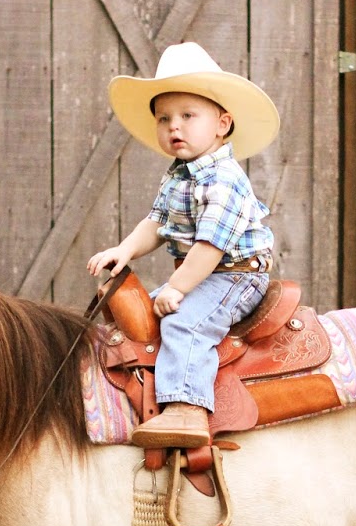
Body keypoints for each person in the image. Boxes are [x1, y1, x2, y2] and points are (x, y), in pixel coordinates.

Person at [88, 41, 280, 450]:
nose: (174, 127)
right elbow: (157, 223)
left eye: (188, 116)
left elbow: (210, 248)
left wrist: (177, 289)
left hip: (236, 275)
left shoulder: (224, 178)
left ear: (222, 124)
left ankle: (186, 409)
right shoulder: (179, 175)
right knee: (135, 319)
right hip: (203, 273)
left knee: (184, 321)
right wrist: (124, 250)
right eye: (164, 118)